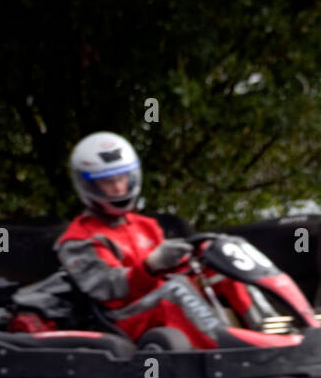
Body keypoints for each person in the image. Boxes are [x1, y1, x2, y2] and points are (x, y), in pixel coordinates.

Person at [56, 131, 228, 349]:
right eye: (108, 183)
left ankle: (270, 329)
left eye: (122, 179)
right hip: (121, 318)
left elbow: (173, 272)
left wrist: (198, 258)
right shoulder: (78, 239)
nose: (119, 188)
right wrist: (150, 266)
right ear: (88, 186)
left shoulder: (145, 225)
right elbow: (109, 288)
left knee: (221, 273)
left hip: (159, 301)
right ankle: (229, 345)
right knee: (174, 289)